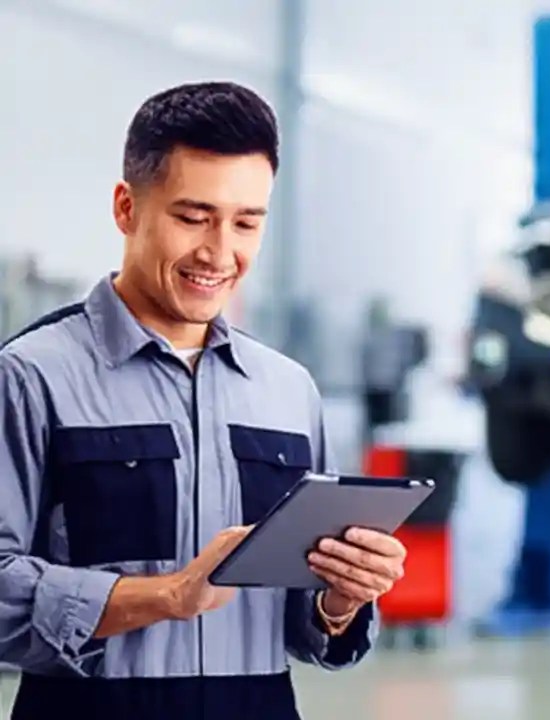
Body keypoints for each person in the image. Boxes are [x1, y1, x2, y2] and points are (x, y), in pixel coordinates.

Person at [0, 81, 408, 719]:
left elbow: (304, 623)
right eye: (193, 218)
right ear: (126, 208)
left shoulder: (286, 391)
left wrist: (342, 600)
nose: (220, 253)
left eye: (247, 222)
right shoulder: (30, 376)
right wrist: (167, 595)